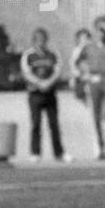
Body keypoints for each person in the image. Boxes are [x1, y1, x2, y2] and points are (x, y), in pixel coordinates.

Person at [75, 15, 105, 159]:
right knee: (95, 115)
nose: (101, 33)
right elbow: (77, 62)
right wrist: (86, 75)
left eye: (104, 30)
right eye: (99, 29)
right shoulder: (88, 47)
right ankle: (100, 147)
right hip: (94, 79)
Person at [20, 28, 69, 162]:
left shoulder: (52, 54)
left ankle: (59, 153)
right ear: (34, 41)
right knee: (36, 123)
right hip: (35, 94)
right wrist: (39, 83)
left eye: (43, 40)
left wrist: (48, 82)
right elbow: (26, 72)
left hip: (50, 93)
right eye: (38, 40)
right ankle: (35, 152)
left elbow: (58, 70)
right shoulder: (28, 55)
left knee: (54, 123)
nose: (41, 43)